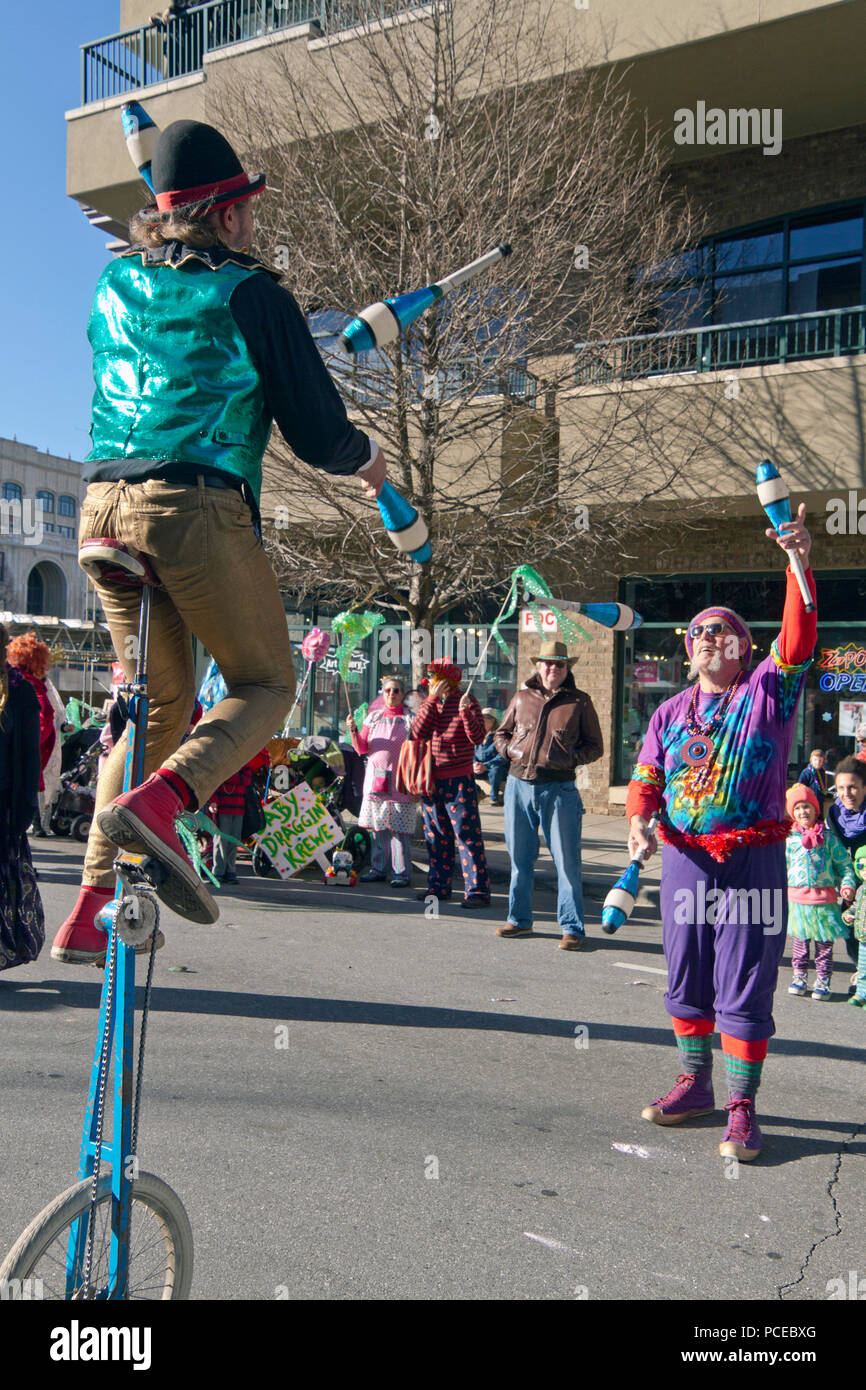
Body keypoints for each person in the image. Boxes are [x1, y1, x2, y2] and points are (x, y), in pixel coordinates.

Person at [51, 117, 386, 964]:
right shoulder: (253, 293)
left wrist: (134, 247)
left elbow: (144, 291)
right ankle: (167, 804)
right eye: (249, 211)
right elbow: (317, 432)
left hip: (101, 511)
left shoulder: (111, 285)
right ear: (230, 215)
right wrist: (371, 462)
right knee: (267, 681)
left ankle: (89, 906)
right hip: (191, 505)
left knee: (159, 708)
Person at [628, 504, 815, 1162]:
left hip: (753, 861)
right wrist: (638, 823)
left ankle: (741, 1106)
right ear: (688, 649)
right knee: (686, 976)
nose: (711, 639)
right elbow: (646, 780)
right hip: (683, 862)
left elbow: (797, 640)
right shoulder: (670, 713)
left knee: (745, 983)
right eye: (701, 633)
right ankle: (695, 1084)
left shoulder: (768, 692)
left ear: (743, 648)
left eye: (725, 633)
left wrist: (797, 561)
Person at [493, 639, 603, 950]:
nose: (552, 668)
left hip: (559, 790)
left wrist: (569, 759)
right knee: (520, 858)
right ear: (538, 666)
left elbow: (596, 747)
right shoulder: (521, 697)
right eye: (547, 662)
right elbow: (500, 733)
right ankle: (519, 920)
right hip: (518, 787)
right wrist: (510, 751)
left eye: (559, 663)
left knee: (567, 862)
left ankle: (571, 927)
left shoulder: (580, 703)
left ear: (567, 669)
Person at [411, 658, 490, 908]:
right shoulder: (429, 703)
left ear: (448, 680)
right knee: (436, 837)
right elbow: (415, 733)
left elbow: (477, 737)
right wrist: (431, 702)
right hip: (432, 781)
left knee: (467, 837)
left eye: (436, 678)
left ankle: (476, 891)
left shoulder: (467, 700)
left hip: (459, 780)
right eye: (431, 678)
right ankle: (438, 887)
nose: (431, 682)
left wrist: (465, 712)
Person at [0, 623, 45, 971]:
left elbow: (30, 759)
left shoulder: (21, 693)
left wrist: (25, 809)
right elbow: (31, 758)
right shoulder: (23, 692)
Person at [784, 783, 855, 1000]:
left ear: (816, 809)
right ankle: (799, 976)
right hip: (798, 900)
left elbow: (845, 865)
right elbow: (780, 867)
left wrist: (847, 884)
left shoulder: (829, 838)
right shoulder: (789, 840)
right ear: (792, 813)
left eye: (807, 806)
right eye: (798, 808)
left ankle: (823, 980)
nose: (803, 812)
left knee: (824, 945)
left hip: (824, 901)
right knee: (800, 944)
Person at [347, 674, 416, 888]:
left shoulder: (410, 719)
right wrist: (353, 729)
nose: (392, 694)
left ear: (402, 695)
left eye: (396, 691)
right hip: (377, 779)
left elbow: (418, 749)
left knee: (399, 831)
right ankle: (378, 869)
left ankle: (401, 873)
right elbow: (361, 748)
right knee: (378, 829)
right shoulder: (373, 718)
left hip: (401, 782)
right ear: (383, 694)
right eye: (388, 691)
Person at [6, 632, 57, 835]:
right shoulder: (27, 685)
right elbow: (45, 721)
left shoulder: (18, 683)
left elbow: (44, 720)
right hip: (22, 761)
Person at [827, 755, 866, 982]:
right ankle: (860, 970)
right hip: (852, 879)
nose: (846, 793)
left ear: (864, 787)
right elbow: (835, 849)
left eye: (852, 787)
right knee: (851, 926)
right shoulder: (836, 813)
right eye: (841, 788)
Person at [473, 708, 508, 806]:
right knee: (464, 770)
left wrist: (486, 765)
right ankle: (479, 792)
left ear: (492, 721)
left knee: (495, 770)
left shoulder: (499, 736)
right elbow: (472, 752)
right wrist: (474, 763)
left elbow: (502, 757)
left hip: (494, 768)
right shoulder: (477, 734)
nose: (480, 721)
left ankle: (494, 797)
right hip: (479, 768)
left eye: (484, 718)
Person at [847, 845, 866, 1009]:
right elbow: (855, 906)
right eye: (861, 866)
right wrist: (848, 915)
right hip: (862, 937)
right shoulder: (861, 890)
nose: (864, 870)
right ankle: (861, 994)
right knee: (863, 967)